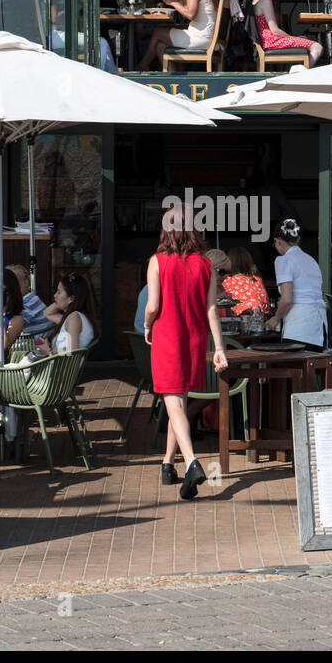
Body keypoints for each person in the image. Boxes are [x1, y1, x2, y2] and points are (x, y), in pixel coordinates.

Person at [145, 204, 226, 499]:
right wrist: (218, 347)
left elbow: (153, 305)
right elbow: (212, 310)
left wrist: (145, 324)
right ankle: (168, 464)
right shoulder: (206, 265)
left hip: (167, 337)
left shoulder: (157, 261)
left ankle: (191, 462)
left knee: (173, 402)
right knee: (178, 399)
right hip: (195, 340)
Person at [138, 0, 217, 71]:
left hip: (200, 39)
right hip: (204, 37)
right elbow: (191, 10)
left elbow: (190, 14)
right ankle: (174, 78)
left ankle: (142, 66)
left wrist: (173, 3)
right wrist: (179, 1)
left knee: (158, 31)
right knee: (161, 46)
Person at [265, 218, 327, 349]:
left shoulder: (283, 260)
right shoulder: (311, 261)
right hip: (319, 326)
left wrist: (275, 319)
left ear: (277, 241)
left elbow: (287, 299)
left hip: (299, 328)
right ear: (298, 240)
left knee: (293, 369)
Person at [251, 0, 323, 66]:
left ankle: (298, 72)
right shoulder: (265, 0)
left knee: (307, 42)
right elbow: (275, 30)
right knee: (317, 47)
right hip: (271, 41)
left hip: (268, 40)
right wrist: (293, 38)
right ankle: (299, 76)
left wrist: (295, 38)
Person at [37, 273, 97, 353]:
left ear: (71, 298)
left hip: (60, 364)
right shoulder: (73, 318)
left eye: (59, 292)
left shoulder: (74, 318)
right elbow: (47, 313)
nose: (55, 295)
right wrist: (59, 302)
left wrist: (49, 351)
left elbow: (72, 350)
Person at [221, 246, 273, 317]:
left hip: (237, 321)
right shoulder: (257, 280)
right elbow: (266, 306)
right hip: (258, 319)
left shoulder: (226, 281)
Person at [6, 263, 55, 337]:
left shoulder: (30, 301)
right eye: (7, 283)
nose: (9, 286)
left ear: (25, 283)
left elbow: (11, 322)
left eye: (14, 282)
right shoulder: (25, 300)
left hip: (36, 345)